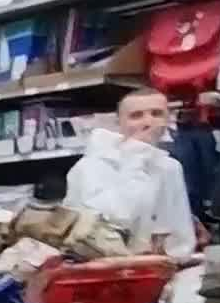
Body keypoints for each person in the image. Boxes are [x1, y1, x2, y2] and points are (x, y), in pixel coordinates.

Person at [64, 88, 196, 262]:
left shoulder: (169, 166)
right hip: (104, 268)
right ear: (119, 122)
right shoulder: (91, 166)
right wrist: (137, 155)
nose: (148, 122)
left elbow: (179, 229)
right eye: (136, 116)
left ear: (167, 119)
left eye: (156, 114)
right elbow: (112, 220)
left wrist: (176, 258)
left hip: (155, 269)